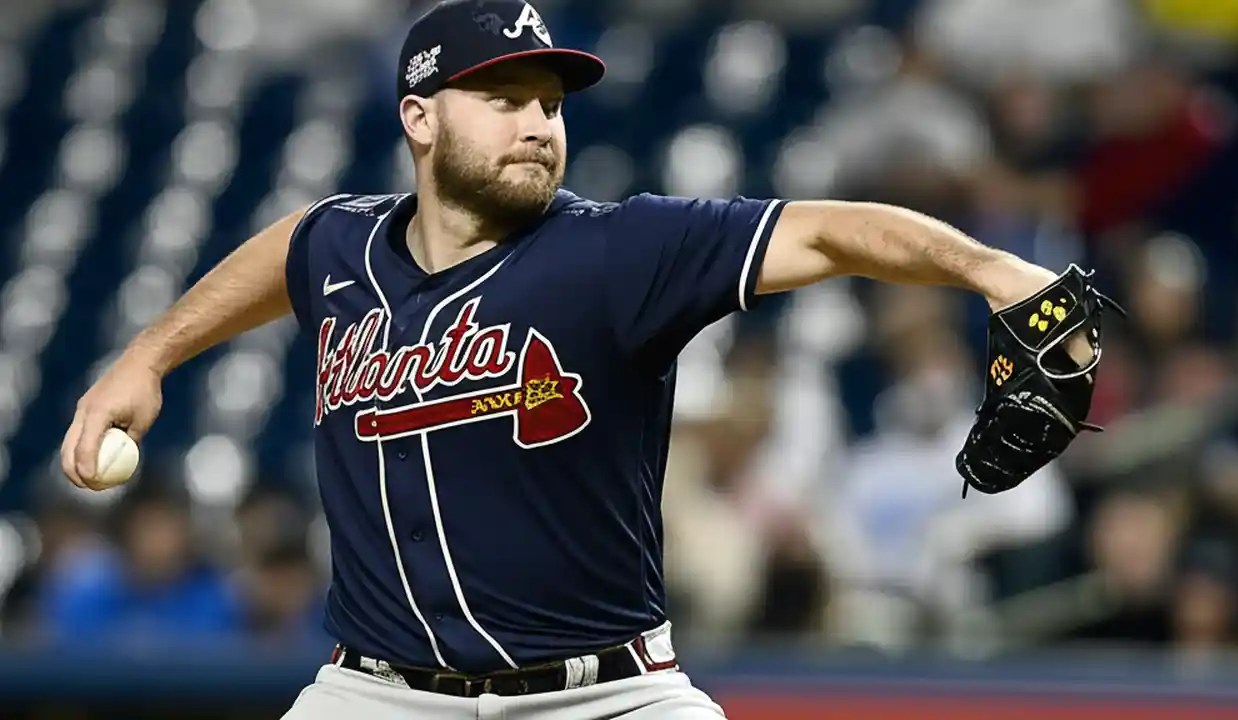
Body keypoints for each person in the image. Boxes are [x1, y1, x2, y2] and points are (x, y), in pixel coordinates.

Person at [59, 1, 1077, 717]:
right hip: (373, 694)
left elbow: (826, 231)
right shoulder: (343, 246)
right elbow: (281, 252)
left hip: (607, 696)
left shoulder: (618, 251)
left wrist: (992, 270)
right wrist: (146, 357)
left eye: (547, 101)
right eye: (499, 96)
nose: (536, 122)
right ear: (418, 117)